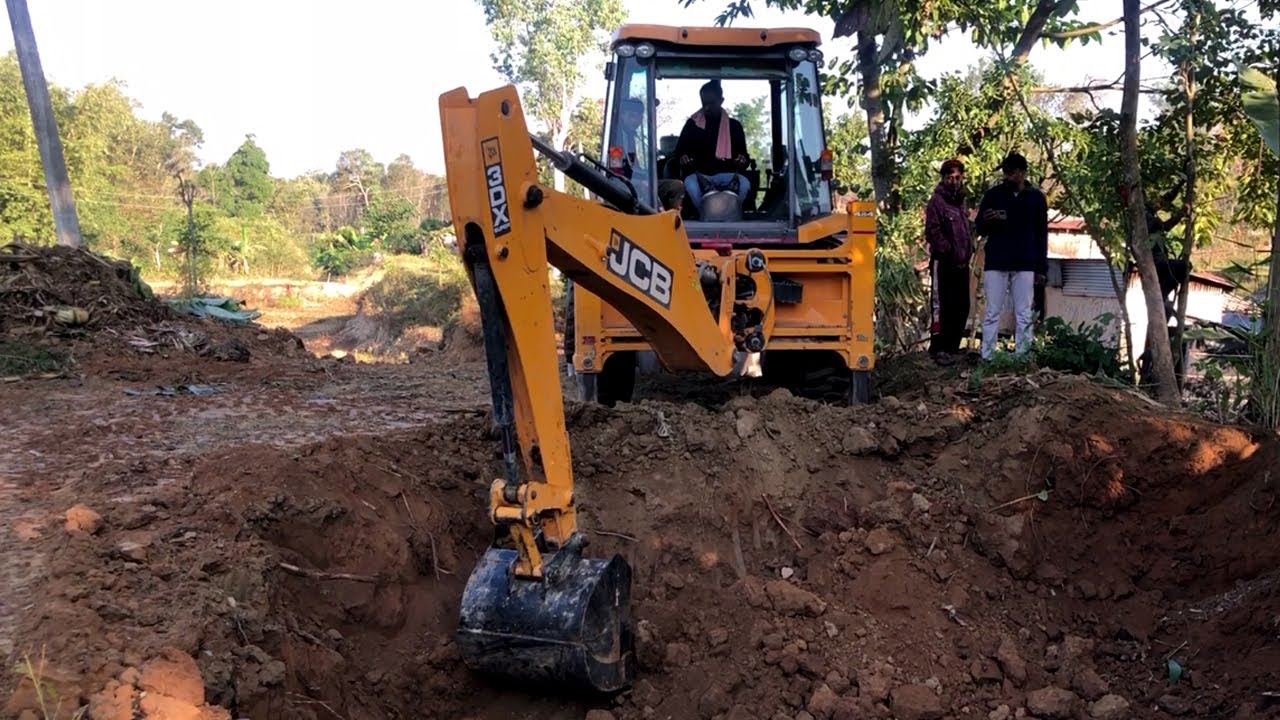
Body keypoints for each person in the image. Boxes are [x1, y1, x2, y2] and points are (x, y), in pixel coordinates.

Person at [975, 151, 1048, 360]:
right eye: (1005, 173)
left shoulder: (1036, 198)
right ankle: (987, 356)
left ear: (1023, 173)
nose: (1007, 177)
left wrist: (1041, 268)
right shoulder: (993, 195)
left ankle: (1022, 356)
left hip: (1025, 262)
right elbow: (980, 228)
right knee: (992, 312)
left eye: (1011, 173)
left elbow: (1042, 235)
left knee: (1024, 313)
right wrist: (987, 220)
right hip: (997, 261)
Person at [672, 79, 751, 216]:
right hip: (698, 175)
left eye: (711, 103)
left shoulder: (734, 126)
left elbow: (744, 157)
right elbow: (678, 153)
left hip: (728, 174)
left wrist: (742, 160)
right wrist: (683, 159)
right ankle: (705, 213)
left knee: (744, 184)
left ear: (721, 100)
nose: (707, 107)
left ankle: (732, 213)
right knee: (690, 185)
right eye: (704, 103)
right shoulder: (692, 125)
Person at [924, 158, 974, 365]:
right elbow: (932, 232)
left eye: (957, 177)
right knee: (942, 306)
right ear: (943, 178)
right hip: (944, 262)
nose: (954, 181)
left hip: (962, 263)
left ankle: (953, 347)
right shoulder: (936, 202)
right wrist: (949, 251)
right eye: (949, 177)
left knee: (962, 305)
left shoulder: (961, 202)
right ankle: (939, 348)